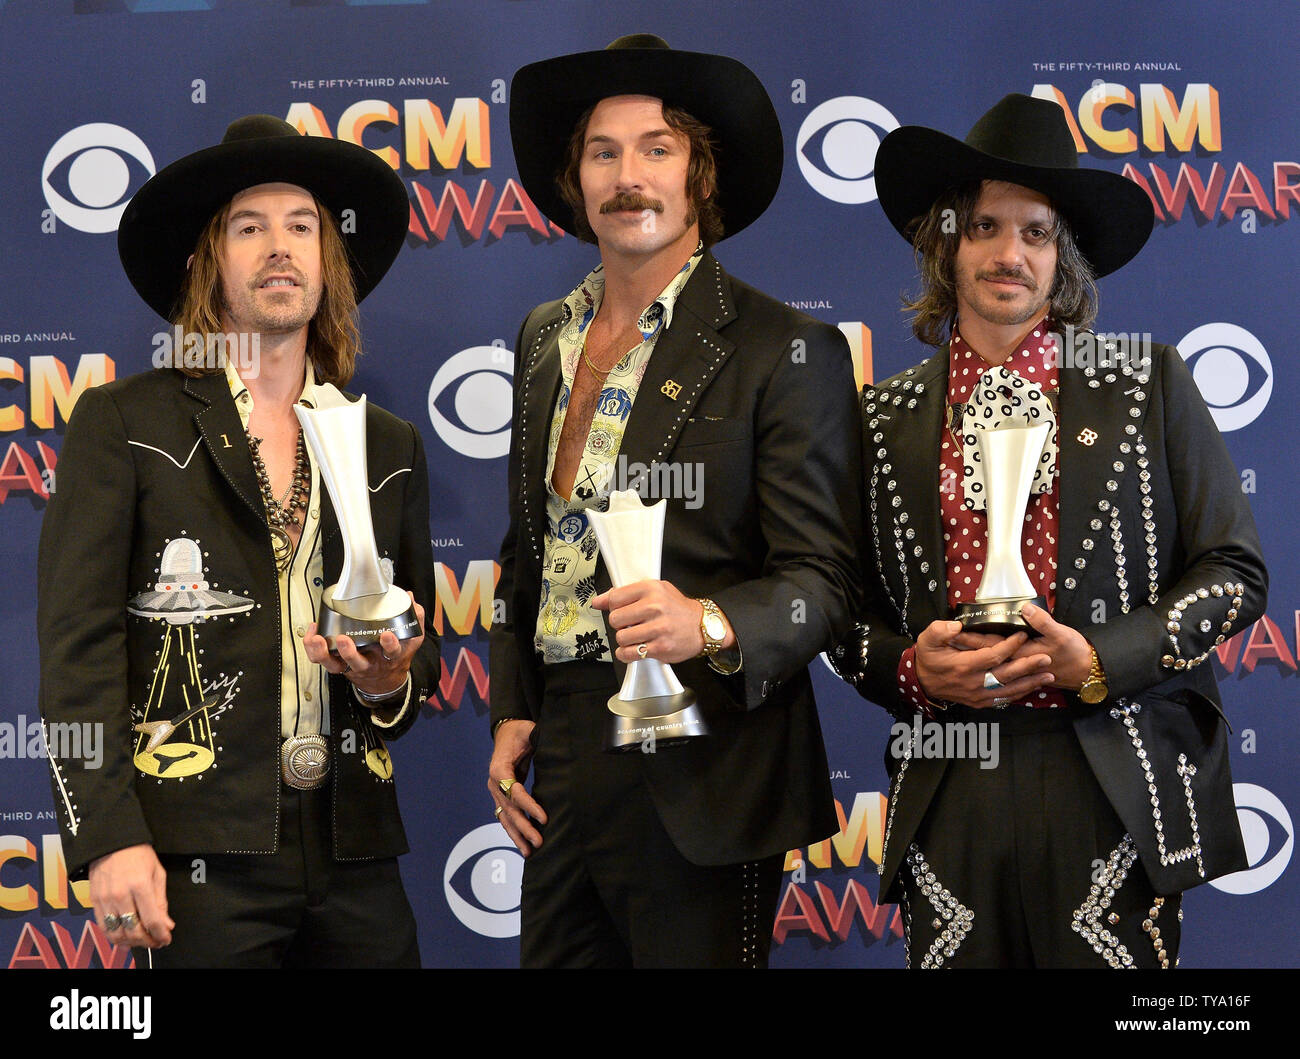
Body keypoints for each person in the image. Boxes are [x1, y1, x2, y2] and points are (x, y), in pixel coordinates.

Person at [831, 94, 1267, 968]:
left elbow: (1234, 572)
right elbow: (834, 609)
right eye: (985, 227)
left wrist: (1102, 658)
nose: (1010, 254)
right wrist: (912, 669)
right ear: (946, 244)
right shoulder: (880, 417)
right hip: (949, 775)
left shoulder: (1147, 381)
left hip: (1110, 770)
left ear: (1061, 255)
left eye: (1036, 233)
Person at [488, 34, 862, 968]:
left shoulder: (786, 348)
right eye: (603, 152)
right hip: (562, 759)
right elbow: (529, 548)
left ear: (702, 176)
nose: (628, 177)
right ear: (575, 179)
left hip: (707, 754)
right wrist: (514, 707)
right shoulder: (542, 338)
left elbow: (823, 579)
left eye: (657, 148)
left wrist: (710, 622)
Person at [37, 115, 440, 968]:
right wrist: (107, 836)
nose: (280, 248)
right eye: (249, 228)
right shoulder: (124, 423)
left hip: (357, 847)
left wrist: (388, 677)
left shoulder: (388, 443)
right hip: (198, 852)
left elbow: (419, 650)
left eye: (302, 226)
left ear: (329, 262)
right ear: (205, 261)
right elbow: (79, 651)